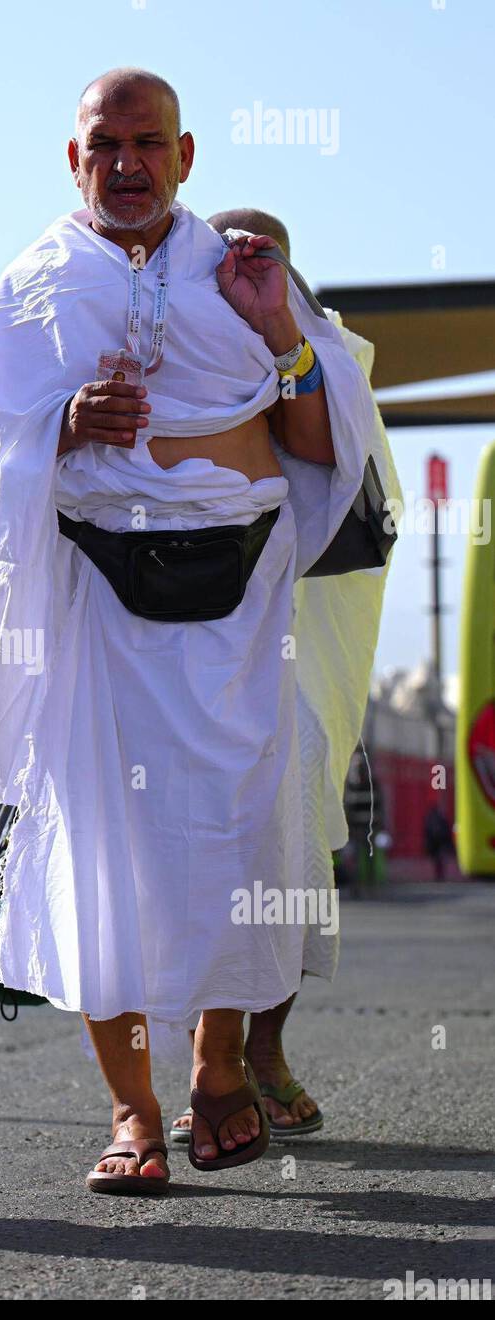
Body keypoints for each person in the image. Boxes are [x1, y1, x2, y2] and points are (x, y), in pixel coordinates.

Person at [0, 70, 392, 1188]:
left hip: (238, 608)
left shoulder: (235, 269)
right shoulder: (32, 289)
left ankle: (219, 1064)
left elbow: (317, 433)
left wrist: (280, 330)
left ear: (184, 156)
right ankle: (130, 1112)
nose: (128, 164)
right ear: (73, 159)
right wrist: (61, 421)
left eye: (149, 144)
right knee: (100, 850)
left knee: (238, 838)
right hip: (100, 606)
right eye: (106, 146)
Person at [165, 207, 401, 1144]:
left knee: (289, 838)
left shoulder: (326, 346)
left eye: (262, 257)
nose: (240, 268)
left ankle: (261, 1051)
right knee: (187, 851)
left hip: (295, 644)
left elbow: (335, 456)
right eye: (221, 255)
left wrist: (282, 342)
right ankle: (203, 1068)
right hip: (186, 637)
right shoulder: (164, 336)